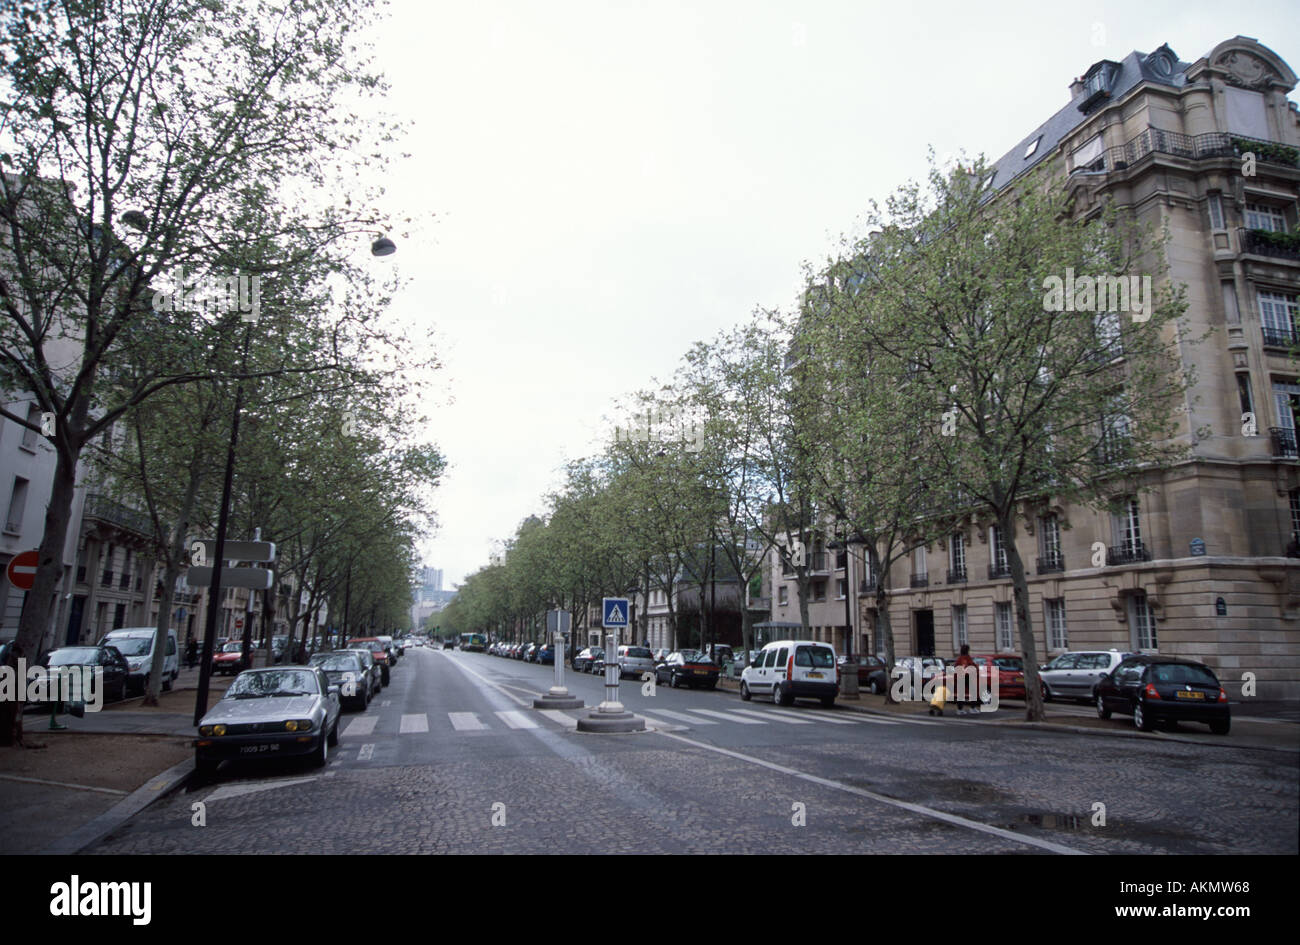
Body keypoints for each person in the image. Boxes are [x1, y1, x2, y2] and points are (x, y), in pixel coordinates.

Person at [954, 644, 978, 716]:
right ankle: (972, 708)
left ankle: (960, 709)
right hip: (966, 676)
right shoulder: (966, 658)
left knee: (961, 694)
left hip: (961, 677)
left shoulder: (960, 658)